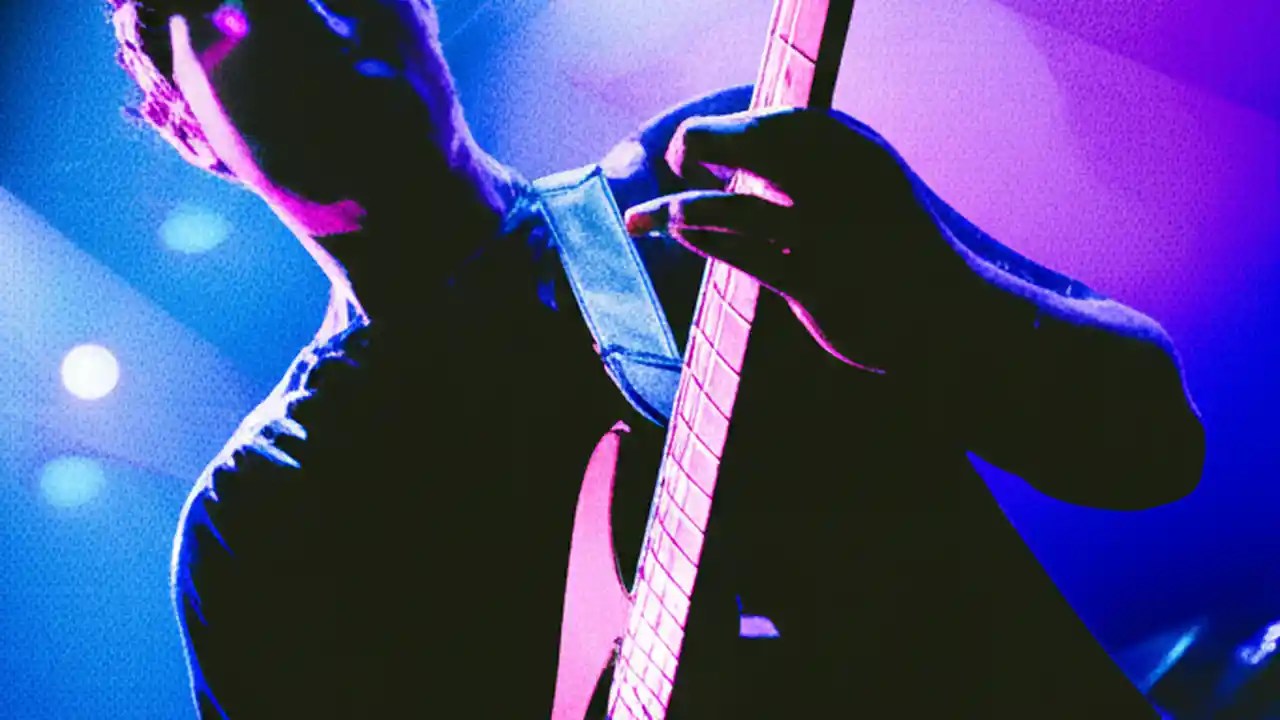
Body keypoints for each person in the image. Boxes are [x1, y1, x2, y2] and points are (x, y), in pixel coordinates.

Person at [107, 1, 1205, 717]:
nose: (315, 12)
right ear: (181, 125)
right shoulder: (263, 523)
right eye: (228, 8)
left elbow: (1152, 450)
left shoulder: (732, 190)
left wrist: (929, 304)